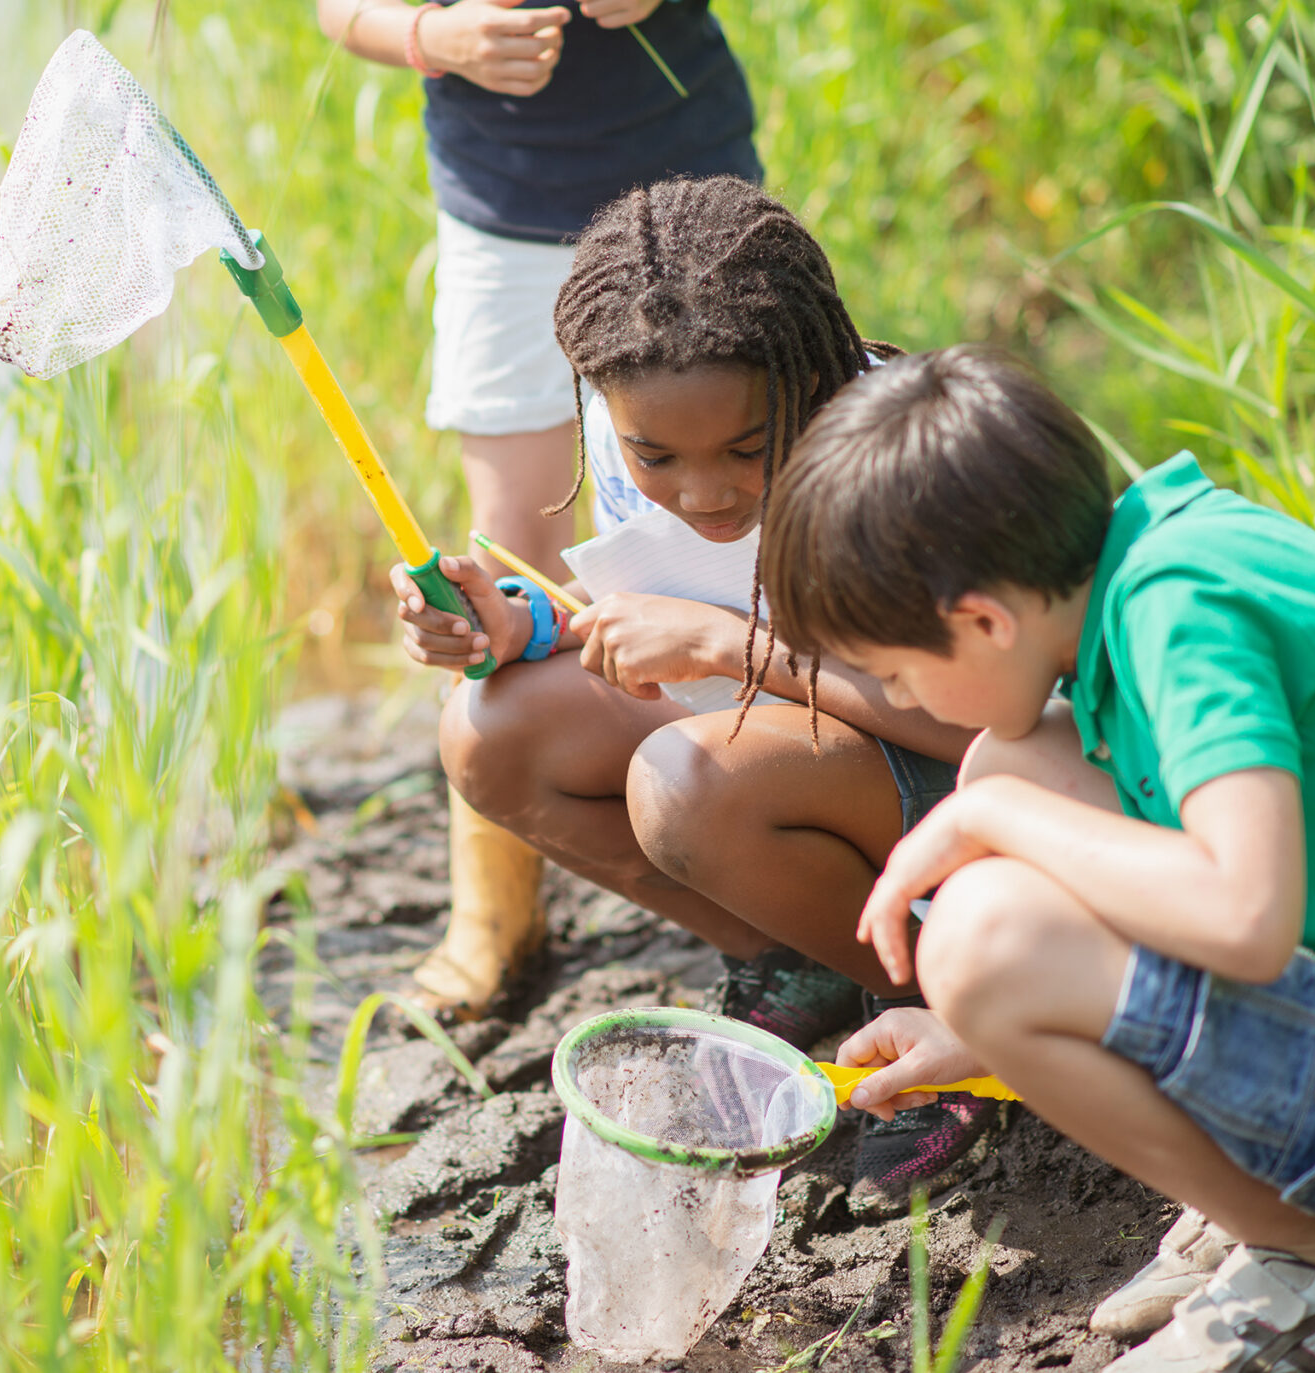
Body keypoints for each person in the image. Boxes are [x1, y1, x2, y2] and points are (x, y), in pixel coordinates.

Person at [760, 345, 1315, 1369]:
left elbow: (1243, 917)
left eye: (895, 674)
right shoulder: (1149, 571)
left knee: (983, 923)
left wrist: (1002, 832)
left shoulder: (1181, 612)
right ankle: (1280, 1208)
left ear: (979, 618)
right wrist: (978, 1029)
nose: (899, 704)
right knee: (1011, 766)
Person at [394, 176, 1001, 1218]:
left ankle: (941, 1015)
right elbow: (657, 594)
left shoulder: (899, 456)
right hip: (805, 740)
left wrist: (732, 645)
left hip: (969, 801)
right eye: (654, 455)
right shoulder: (635, 427)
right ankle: (800, 956)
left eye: (743, 451)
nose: (701, 490)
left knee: (683, 780)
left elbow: (989, 721)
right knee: (493, 727)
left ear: (806, 376)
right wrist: (523, 622)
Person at [316, 0, 764, 1023]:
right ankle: (493, 914)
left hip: (687, 188)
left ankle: (760, 804)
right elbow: (336, 11)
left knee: (726, 502)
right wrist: (439, 41)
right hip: (502, 207)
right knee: (508, 530)